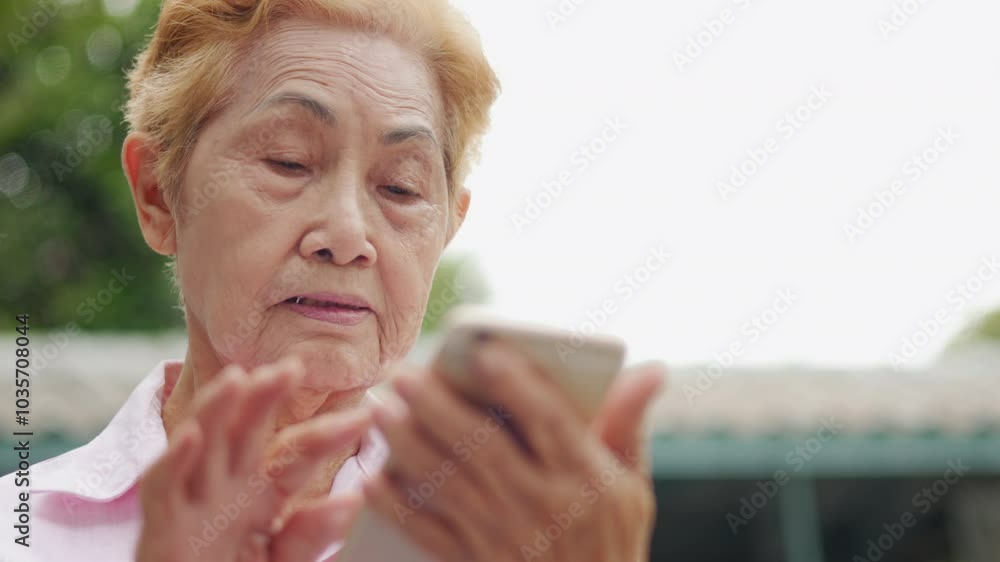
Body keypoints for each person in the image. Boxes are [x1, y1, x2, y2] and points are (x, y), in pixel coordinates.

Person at [0, 0, 666, 560]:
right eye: (288, 161)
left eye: (401, 187)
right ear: (157, 195)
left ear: (446, 232)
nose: (348, 235)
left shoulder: (508, 538)